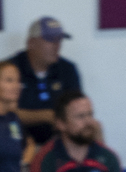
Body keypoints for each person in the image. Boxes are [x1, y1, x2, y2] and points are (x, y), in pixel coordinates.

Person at [9, 17, 83, 146]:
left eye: (59, 40)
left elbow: (77, 108)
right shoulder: (11, 69)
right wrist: (46, 116)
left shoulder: (67, 69)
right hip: (19, 142)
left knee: (93, 127)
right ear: (31, 43)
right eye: (50, 40)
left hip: (59, 141)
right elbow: (6, 112)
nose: (57, 46)